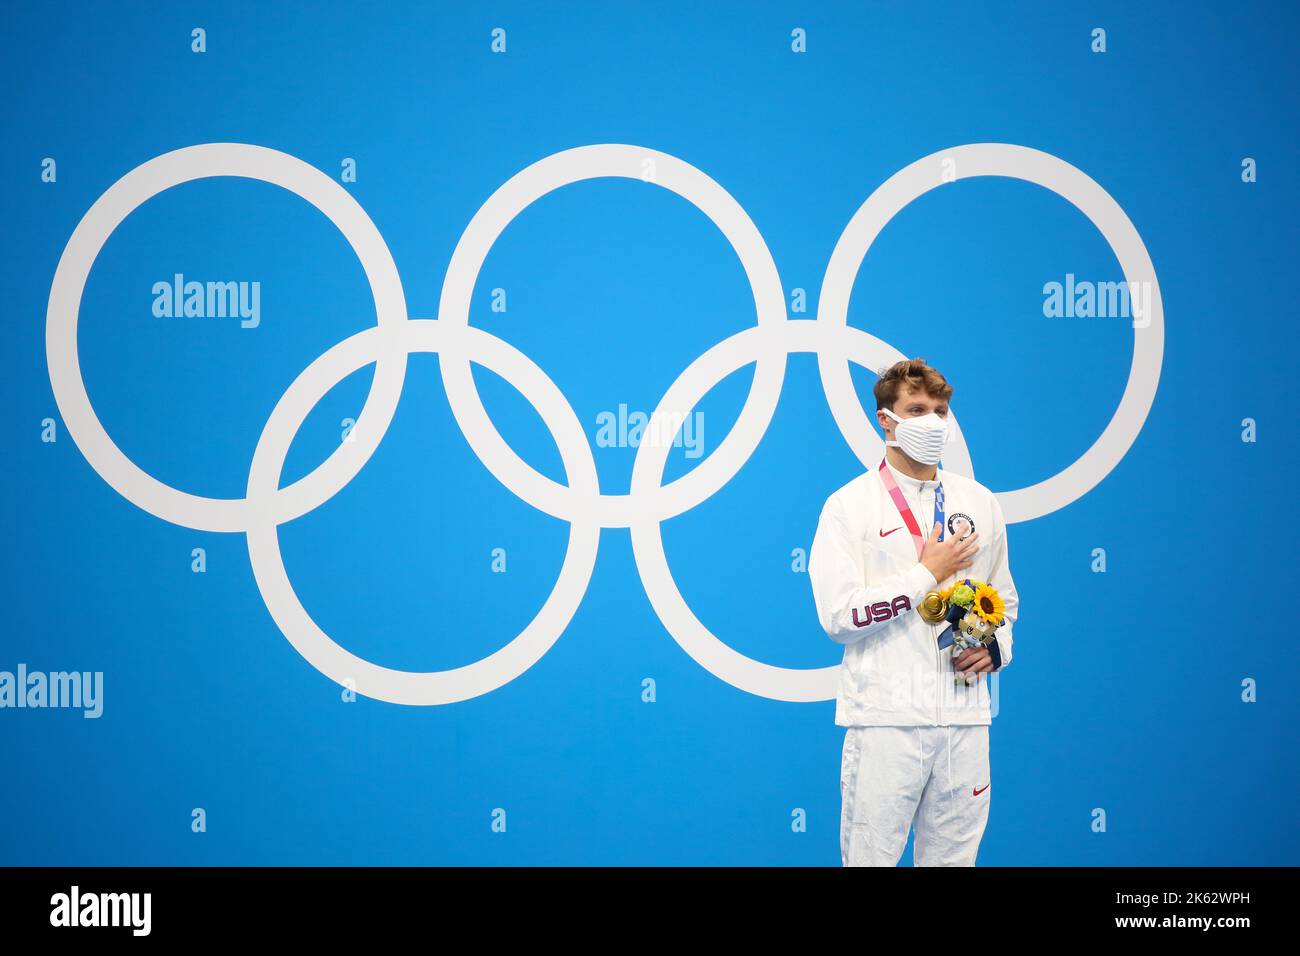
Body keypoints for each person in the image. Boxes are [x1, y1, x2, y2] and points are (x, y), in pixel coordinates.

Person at [807, 357, 1019, 866]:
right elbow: (839, 617)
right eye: (917, 409)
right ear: (887, 419)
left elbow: (1005, 601)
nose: (932, 421)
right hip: (886, 721)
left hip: (966, 719)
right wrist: (925, 573)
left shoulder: (980, 503)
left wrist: (995, 649)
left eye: (941, 411)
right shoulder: (849, 506)